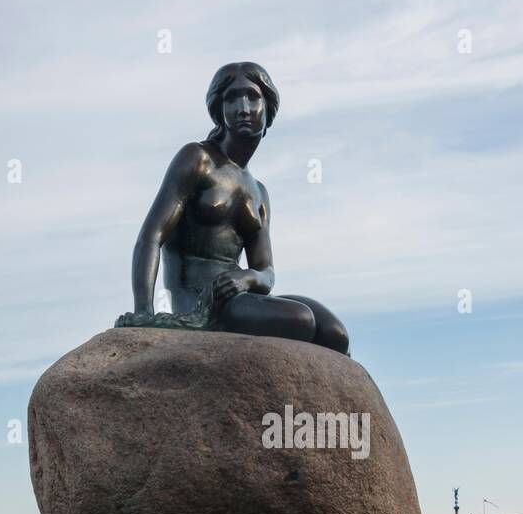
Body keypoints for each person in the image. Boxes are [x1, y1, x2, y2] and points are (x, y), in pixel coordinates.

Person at [116, 62, 349, 353]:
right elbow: (150, 237)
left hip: (241, 296)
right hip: (201, 303)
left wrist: (246, 277)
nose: (243, 108)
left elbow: (266, 272)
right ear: (219, 109)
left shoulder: (259, 192)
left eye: (252, 97)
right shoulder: (198, 159)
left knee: (335, 333)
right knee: (302, 320)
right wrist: (143, 314)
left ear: (268, 107)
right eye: (231, 98)